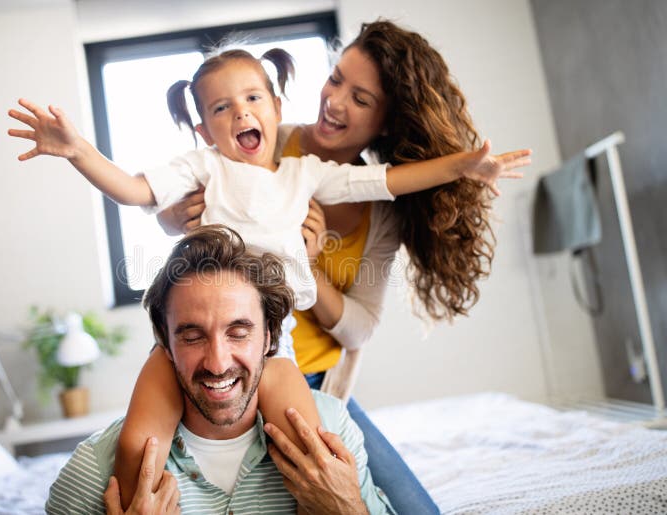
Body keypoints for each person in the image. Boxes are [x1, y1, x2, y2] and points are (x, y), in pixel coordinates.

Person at [8, 45, 529, 510]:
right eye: (220, 108)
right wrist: (78, 150)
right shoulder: (202, 167)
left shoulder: (306, 176)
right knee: (137, 445)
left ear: (277, 111)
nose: (240, 112)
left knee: (309, 447)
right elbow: (131, 190)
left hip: (276, 349)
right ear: (203, 130)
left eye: (253, 98)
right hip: (187, 343)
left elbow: (386, 181)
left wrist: (462, 166)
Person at [155, 19, 522, 514]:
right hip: (237, 371)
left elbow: (359, 330)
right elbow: (179, 207)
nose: (334, 101)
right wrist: (171, 218)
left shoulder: (381, 208)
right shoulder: (261, 140)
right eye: (335, 79)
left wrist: (307, 267)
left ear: (388, 121)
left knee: (414, 509)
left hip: (318, 382)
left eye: (361, 98)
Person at [46, 225, 395, 515]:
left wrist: (348, 508)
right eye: (193, 336)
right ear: (165, 346)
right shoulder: (94, 471)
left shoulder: (331, 433)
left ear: (269, 338)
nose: (218, 362)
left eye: (238, 333)